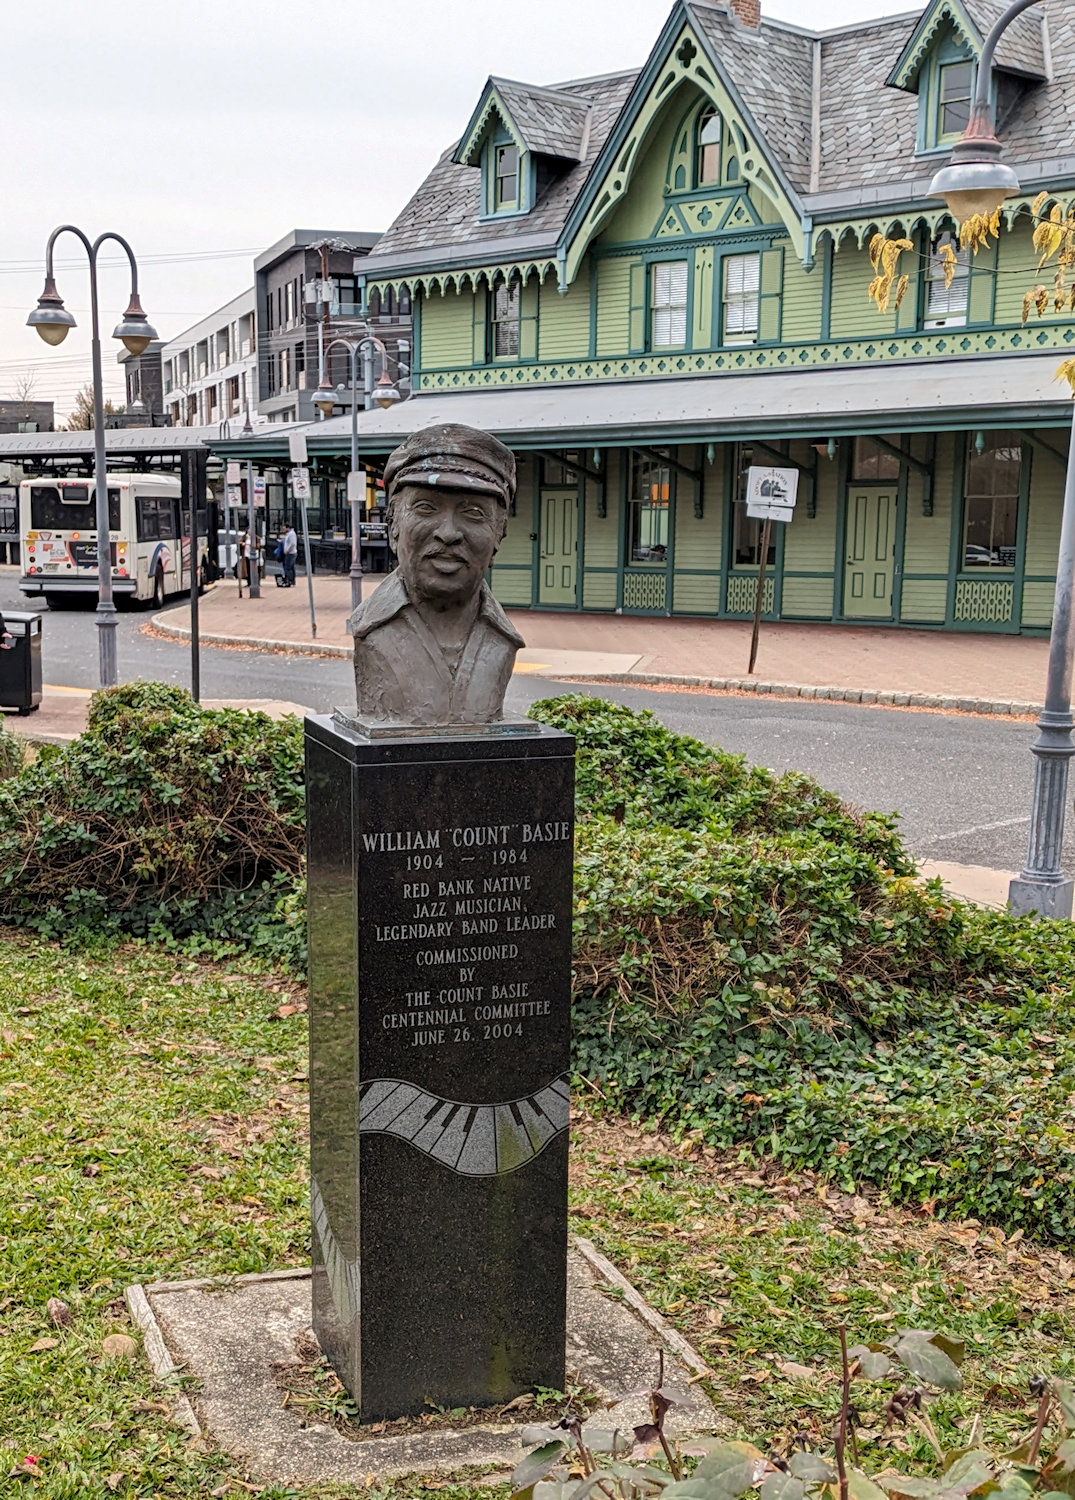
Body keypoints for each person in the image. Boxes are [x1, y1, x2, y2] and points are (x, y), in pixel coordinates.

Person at [349, 423, 523, 728]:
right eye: (426, 508)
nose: (448, 533)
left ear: (499, 534)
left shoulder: (503, 640)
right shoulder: (371, 631)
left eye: (473, 514)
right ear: (393, 525)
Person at [281, 523, 298, 588]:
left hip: (290, 553)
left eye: (284, 528)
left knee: (288, 567)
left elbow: (292, 543)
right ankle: (292, 581)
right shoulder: (289, 534)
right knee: (291, 567)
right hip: (290, 552)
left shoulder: (291, 534)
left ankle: (290, 581)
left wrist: (288, 550)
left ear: (288, 528)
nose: (283, 530)